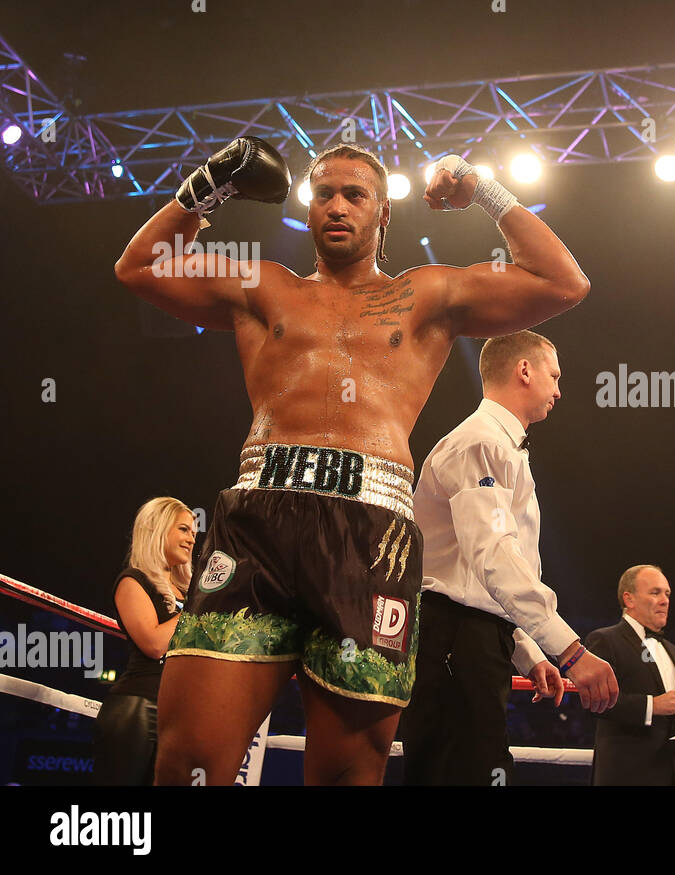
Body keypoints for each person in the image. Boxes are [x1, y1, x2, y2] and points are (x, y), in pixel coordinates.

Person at [113, 137, 590, 786]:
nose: (337, 205)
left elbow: (563, 281)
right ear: (308, 211)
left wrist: (482, 188)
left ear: (381, 213)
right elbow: (137, 267)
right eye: (324, 194)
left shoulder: (425, 296)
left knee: (347, 776)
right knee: (188, 759)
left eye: (355, 194)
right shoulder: (265, 287)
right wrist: (209, 186)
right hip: (258, 522)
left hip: (372, 537)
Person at [401, 330, 618, 786]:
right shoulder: (481, 442)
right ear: (524, 370)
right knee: (463, 773)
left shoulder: (499, 445)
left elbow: (479, 574)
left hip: (471, 637)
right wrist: (571, 651)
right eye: (554, 375)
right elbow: (493, 558)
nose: (559, 389)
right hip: (455, 637)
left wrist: (528, 652)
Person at [93, 498, 195, 785]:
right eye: (184, 530)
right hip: (139, 707)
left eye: (193, 534)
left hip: (179, 716)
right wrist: (198, 607)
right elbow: (153, 644)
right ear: (158, 529)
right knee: (118, 822)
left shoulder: (189, 593)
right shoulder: (133, 581)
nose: (190, 539)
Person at [587, 565, 675, 785]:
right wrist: (652, 705)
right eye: (655, 593)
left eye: (667, 594)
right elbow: (595, 703)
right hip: (623, 774)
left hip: (668, 774)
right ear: (629, 600)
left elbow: (667, 714)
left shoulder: (673, 651)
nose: (665, 600)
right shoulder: (604, 640)